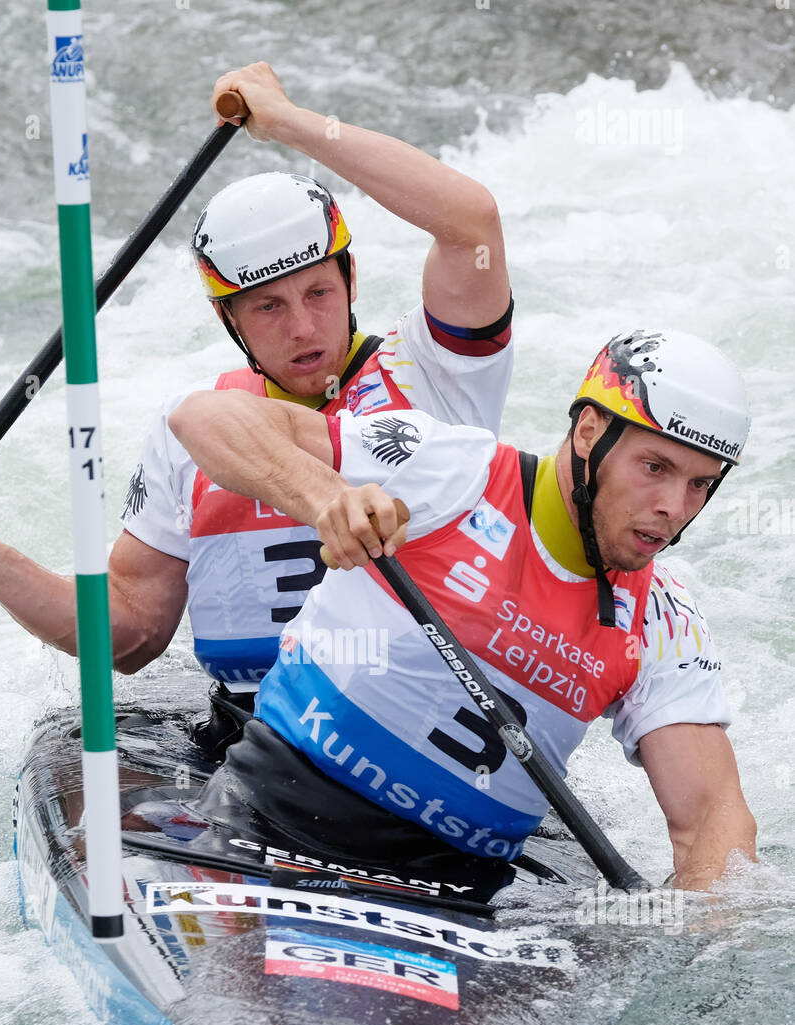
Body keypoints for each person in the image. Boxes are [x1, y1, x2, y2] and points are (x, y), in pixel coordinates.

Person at [0, 62, 514, 753]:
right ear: (232, 322)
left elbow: (473, 224)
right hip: (251, 745)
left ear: (351, 278)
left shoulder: (435, 373)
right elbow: (131, 636)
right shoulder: (190, 429)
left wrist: (285, 123)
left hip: (423, 741)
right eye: (269, 308)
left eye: (318, 294)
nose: (304, 328)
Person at [169, 327, 758, 892]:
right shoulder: (450, 469)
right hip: (272, 819)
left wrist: (708, 923)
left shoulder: (662, 619)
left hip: (461, 887)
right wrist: (326, 496)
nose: (672, 507)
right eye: (655, 468)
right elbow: (202, 417)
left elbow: (711, 824)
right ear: (588, 432)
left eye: (700, 485)